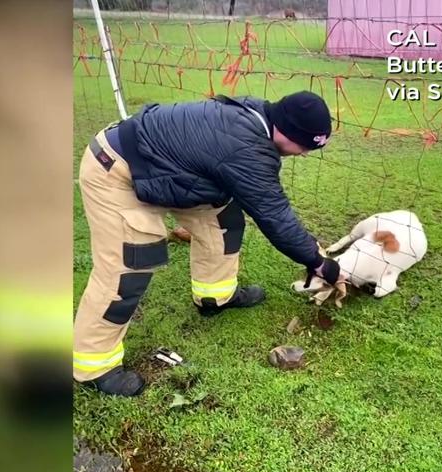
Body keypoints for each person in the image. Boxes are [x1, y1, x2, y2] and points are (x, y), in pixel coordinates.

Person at [74, 90, 341, 396]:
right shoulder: (248, 148)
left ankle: (216, 296)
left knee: (223, 220)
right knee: (129, 265)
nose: (304, 154)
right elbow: (275, 215)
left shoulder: (258, 116)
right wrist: (318, 263)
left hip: (168, 168)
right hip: (118, 169)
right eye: (304, 146)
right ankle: (94, 366)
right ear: (286, 130)